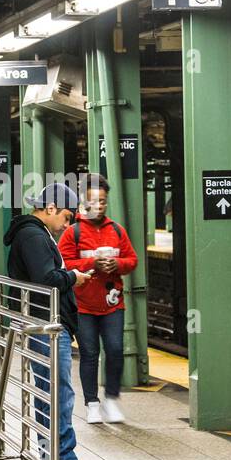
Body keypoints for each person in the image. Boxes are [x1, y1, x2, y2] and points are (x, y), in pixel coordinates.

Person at [3, 182, 96, 460]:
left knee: (50, 393)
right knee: (59, 394)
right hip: (45, 325)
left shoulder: (34, 234)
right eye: (66, 217)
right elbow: (47, 279)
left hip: (45, 324)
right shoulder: (33, 235)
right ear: (51, 208)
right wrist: (74, 278)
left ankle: (53, 459)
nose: (66, 225)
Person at [58, 174, 138, 424]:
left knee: (115, 350)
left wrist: (117, 264)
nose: (99, 206)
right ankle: (92, 403)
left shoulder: (116, 230)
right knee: (90, 353)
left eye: (103, 201)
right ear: (84, 200)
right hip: (82, 305)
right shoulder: (74, 233)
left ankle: (112, 399)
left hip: (113, 303)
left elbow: (132, 260)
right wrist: (92, 263)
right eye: (94, 201)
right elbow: (64, 263)